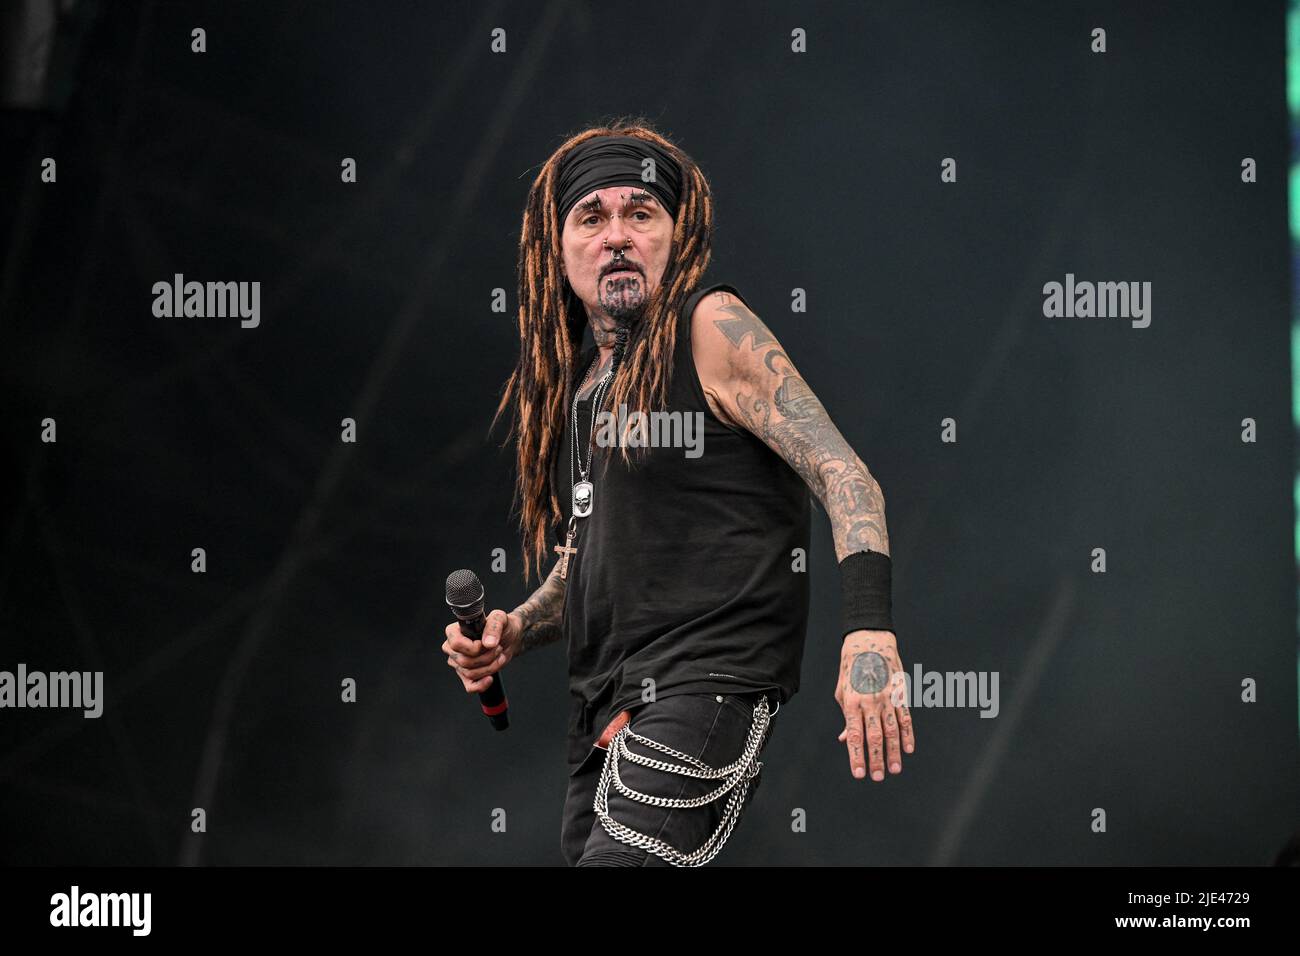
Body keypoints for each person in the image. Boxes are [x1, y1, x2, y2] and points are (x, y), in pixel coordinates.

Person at [442, 119, 914, 866]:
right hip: (602, 711)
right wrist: (514, 631)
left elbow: (845, 473)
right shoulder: (583, 391)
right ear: (557, 252)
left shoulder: (709, 327)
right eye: (592, 217)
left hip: (703, 685)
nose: (617, 235)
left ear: (674, 234)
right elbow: (588, 559)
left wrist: (868, 631)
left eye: (641, 213)